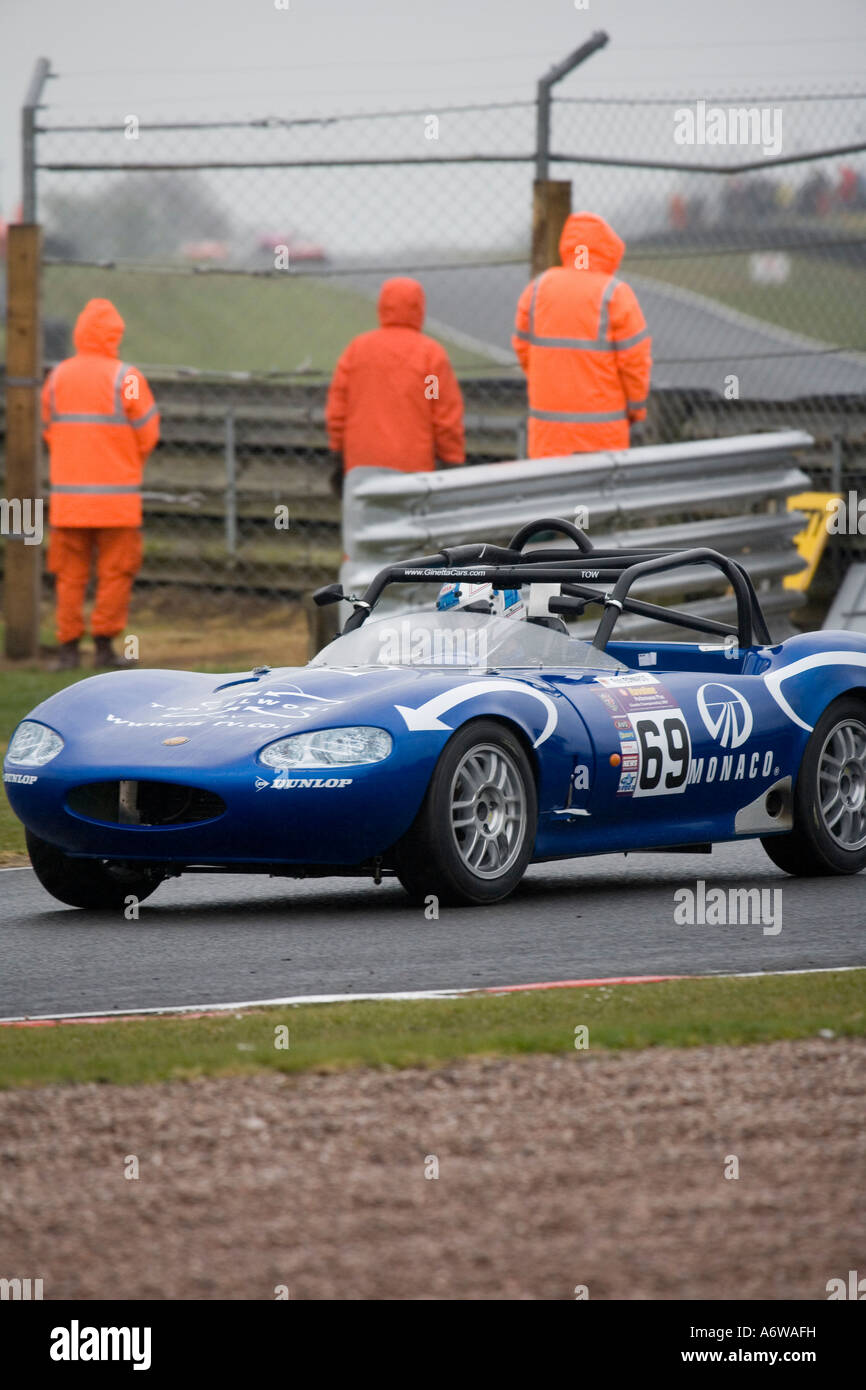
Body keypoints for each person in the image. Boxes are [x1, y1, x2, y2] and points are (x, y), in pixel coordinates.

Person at [42, 298, 160, 669]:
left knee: (68, 575)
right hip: (117, 501)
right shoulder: (125, 378)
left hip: (68, 502)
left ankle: (67, 650)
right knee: (116, 573)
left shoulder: (58, 376)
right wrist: (124, 460)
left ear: (78, 332)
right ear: (115, 334)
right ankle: (105, 648)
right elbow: (148, 431)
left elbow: (48, 429)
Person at [512, 211, 652, 458]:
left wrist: (549, 381)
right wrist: (636, 409)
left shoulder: (537, 289)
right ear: (608, 250)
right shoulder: (615, 294)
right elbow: (635, 363)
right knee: (597, 497)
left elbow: (523, 350)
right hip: (602, 436)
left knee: (552, 493)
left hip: (547, 436)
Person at [325, 276, 465, 489]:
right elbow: (441, 411)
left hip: (362, 463)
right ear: (419, 307)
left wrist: (337, 451)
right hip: (413, 467)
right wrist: (452, 459)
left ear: (382, 305)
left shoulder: (358, 349)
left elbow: (338, 408)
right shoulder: (429, 355)